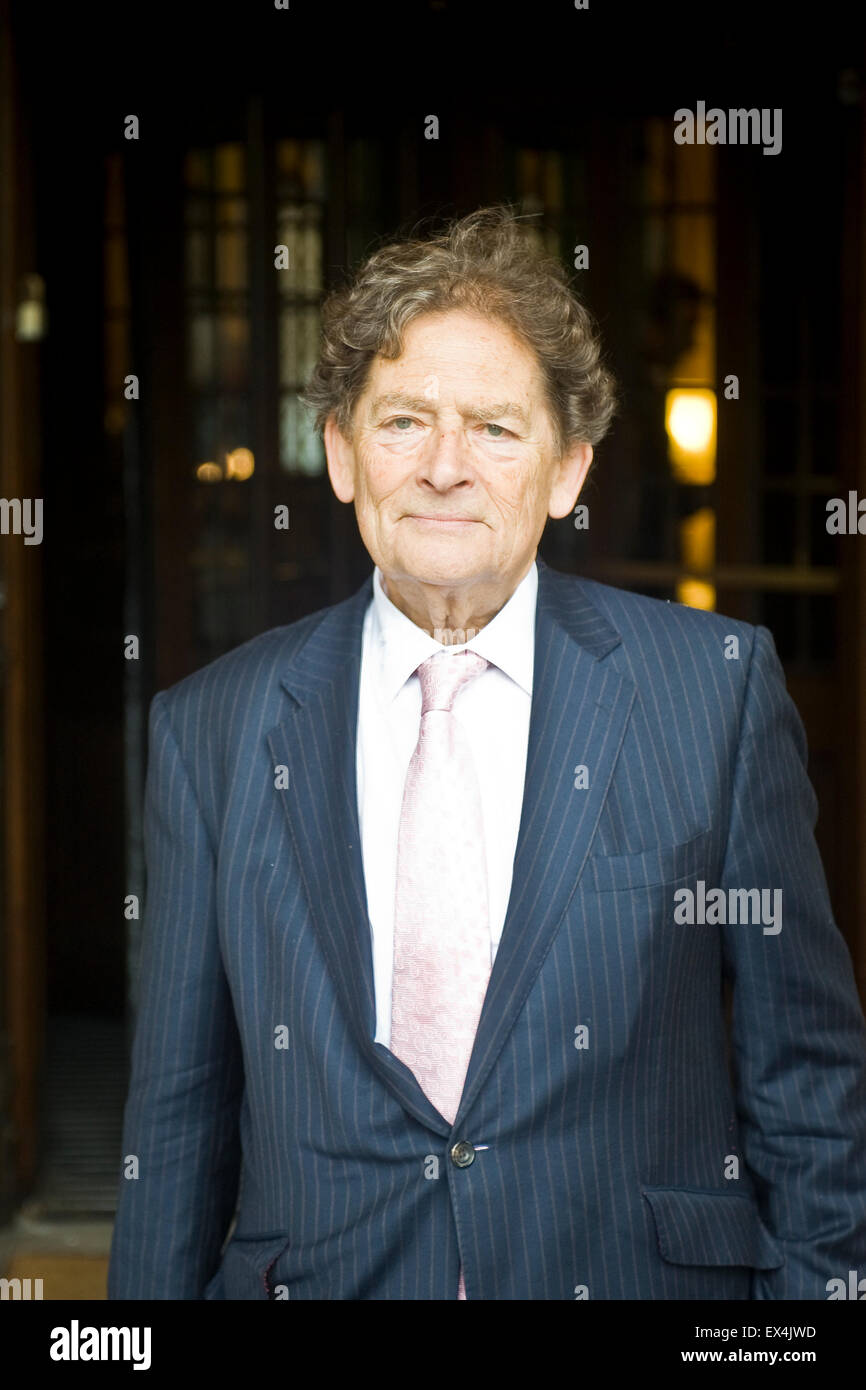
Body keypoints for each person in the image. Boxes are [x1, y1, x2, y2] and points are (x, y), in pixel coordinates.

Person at [108, 205, 866, 1300]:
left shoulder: (713, 692)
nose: (444, 467)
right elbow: (174, 1120)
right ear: (338, 453)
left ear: (565, 471)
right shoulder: (211, 729)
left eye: (494, 429)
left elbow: (808, 1088)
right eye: (402, 421)